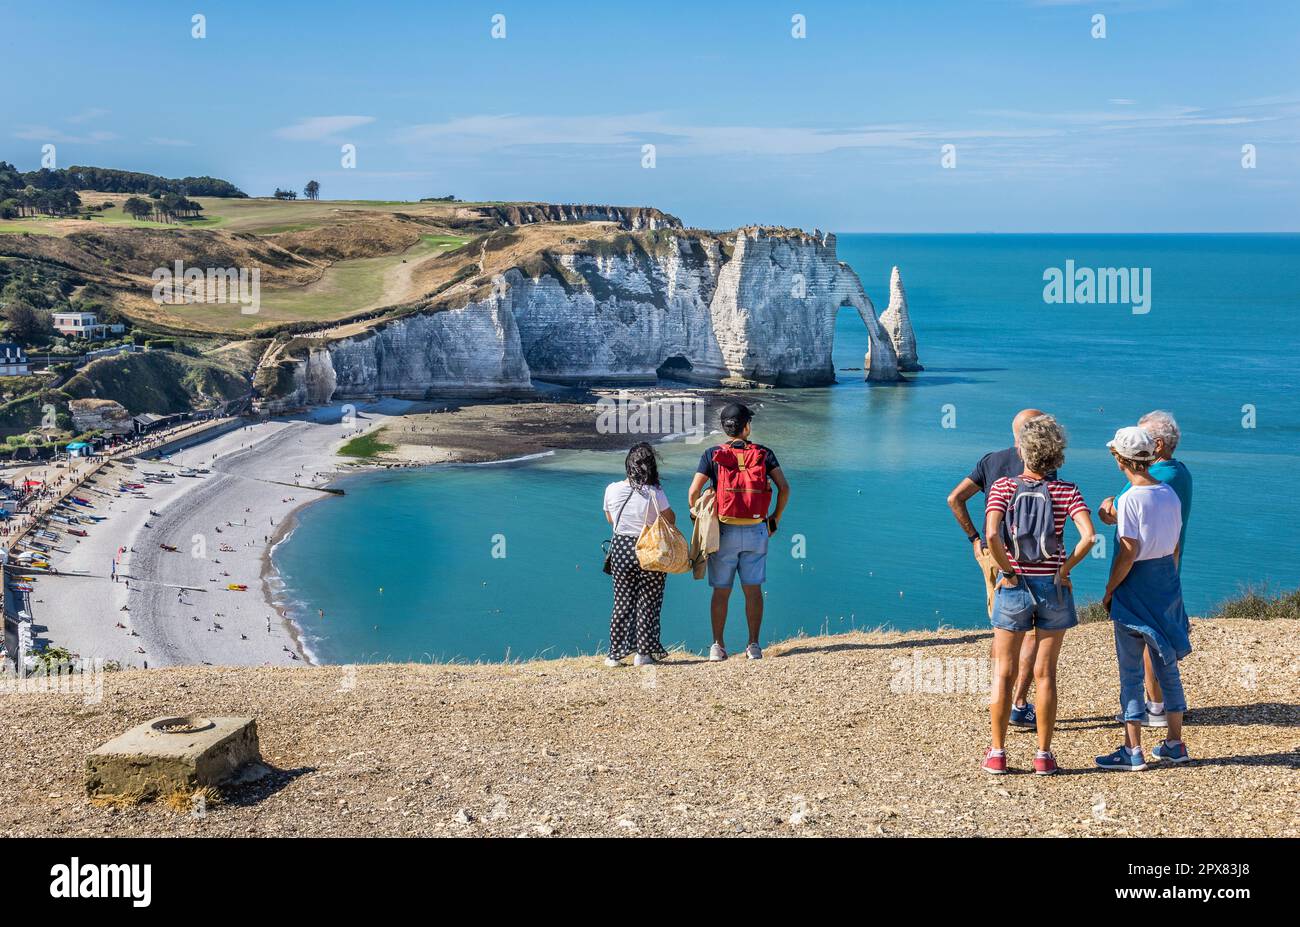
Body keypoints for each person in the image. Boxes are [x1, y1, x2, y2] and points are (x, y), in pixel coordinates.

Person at [981, 414, 1094, 776]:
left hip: (1014, 588)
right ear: (1056, 454)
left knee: (1004, 671)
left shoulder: (1002, 488)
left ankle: (998, 753)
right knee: (1046, 674)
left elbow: (994, 536)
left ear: (1022, 451)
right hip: (1053, 589)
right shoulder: (1068, 491)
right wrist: (1065, 569)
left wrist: (1008, 571)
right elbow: (1089, 537)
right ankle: (1043, 755)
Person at [947, 409, 1053, 729]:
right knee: (1033, 633)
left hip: (995, 558)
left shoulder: (991, 461)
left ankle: (999, 697)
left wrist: (975, 540)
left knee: (1002, 630)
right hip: (1032, 562)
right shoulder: (1045, 467)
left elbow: (955, 499)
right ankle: (1018, 704)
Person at [1095, 426, 1191, 771]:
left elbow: (1129, 550)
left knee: (1131, 669)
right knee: (1168, 664)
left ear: (1120, 459)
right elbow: (1174, 544)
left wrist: (1109, 589)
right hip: (1166, 580)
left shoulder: (1129, 499)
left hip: (1136, 584)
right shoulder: (1169, 493)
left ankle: (1132, 749)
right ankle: (1174, 743)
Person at [687, 403, 790, 661]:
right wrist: (774, 518)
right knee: (752, 590)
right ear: (746, 427)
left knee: (721, 591)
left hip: (723, 532)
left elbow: (692, 493)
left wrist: (699, 517)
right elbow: (784, 488)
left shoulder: (711, 454)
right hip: (756, 530)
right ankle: (753, 646)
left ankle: (717, 647)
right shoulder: (764, 454)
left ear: (725, 428)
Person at [602, 443, 674, 667]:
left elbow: (610, 519)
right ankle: (643, 654)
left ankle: (614, 654)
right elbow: (670, 519)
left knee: (622, 602)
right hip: (649, 549)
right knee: (648, 601)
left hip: (621, 549)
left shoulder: (612, 489)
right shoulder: (655, 493)